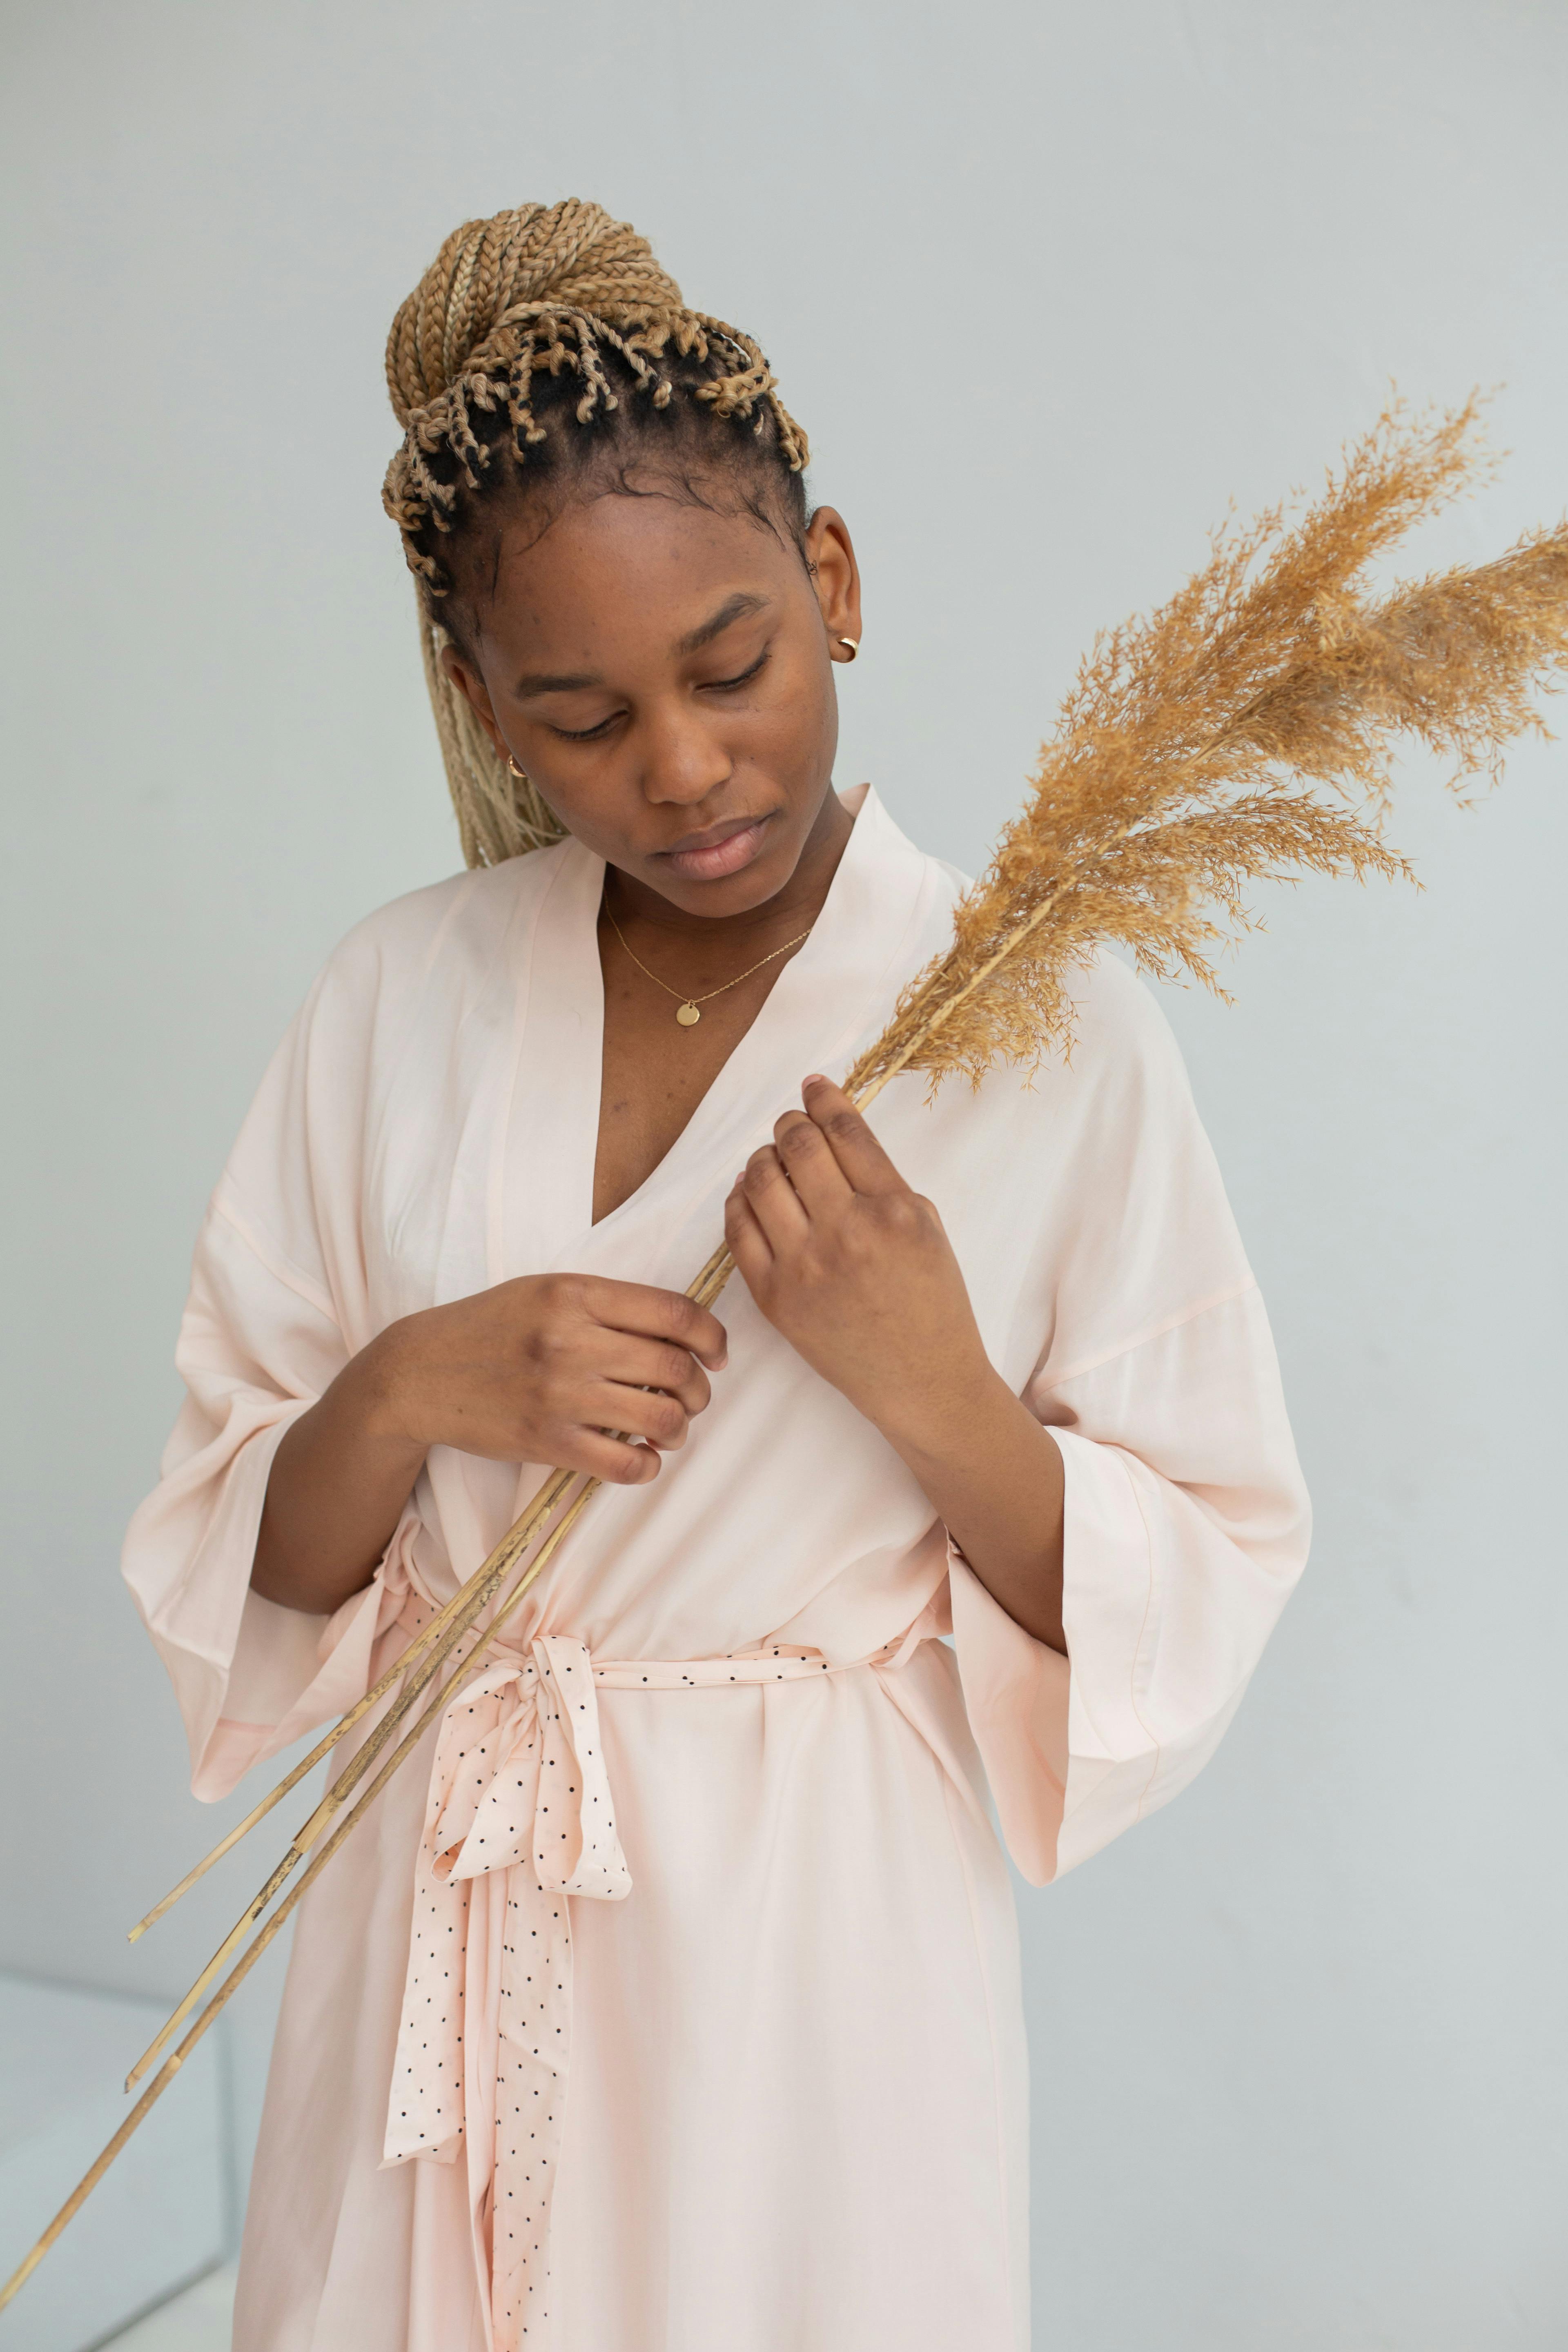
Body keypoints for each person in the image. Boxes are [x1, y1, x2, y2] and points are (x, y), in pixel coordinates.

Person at [123, 200, 1310, 2352]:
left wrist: (933, 1385)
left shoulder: (1040, 1022)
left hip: (812, 1981)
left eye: (733, 665)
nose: (680, 769)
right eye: (577, 717)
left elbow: (1207, 1564)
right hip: (434, 1919)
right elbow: (244, 1564)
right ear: (484, 704)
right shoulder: (396, 999)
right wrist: (408, 1386)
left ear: (832, 581)